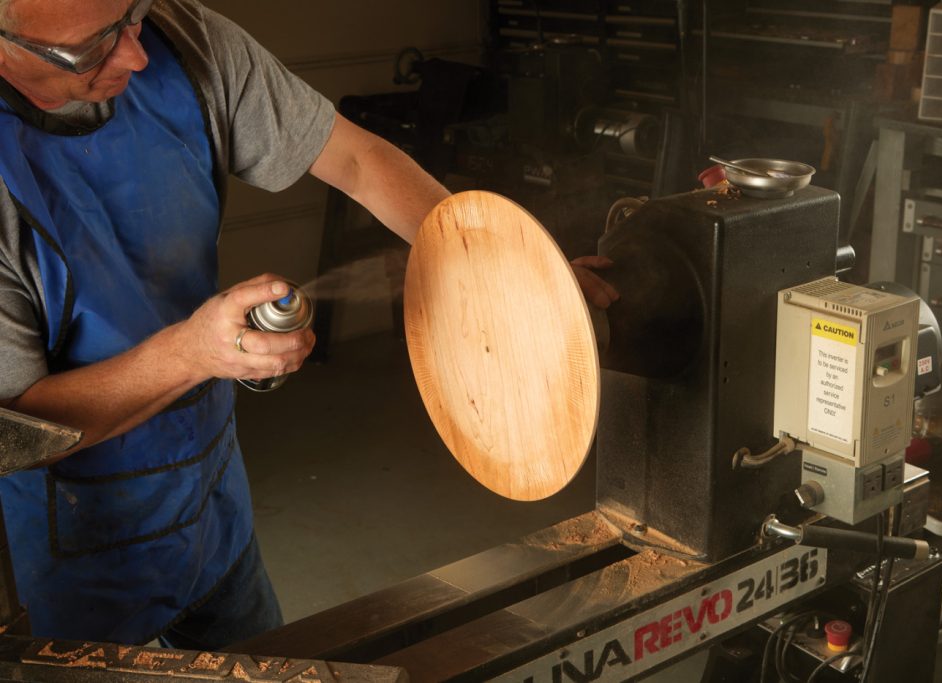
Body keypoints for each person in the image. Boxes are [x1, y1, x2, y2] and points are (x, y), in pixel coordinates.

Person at [0, 0, 617, 651]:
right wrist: (192, 353)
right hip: (73, 549)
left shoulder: (182, 37)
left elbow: (355, 160)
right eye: (94, 46)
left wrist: (502, 273)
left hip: (212, 500)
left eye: (135, 12)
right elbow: (20, 426)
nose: (136, 53)